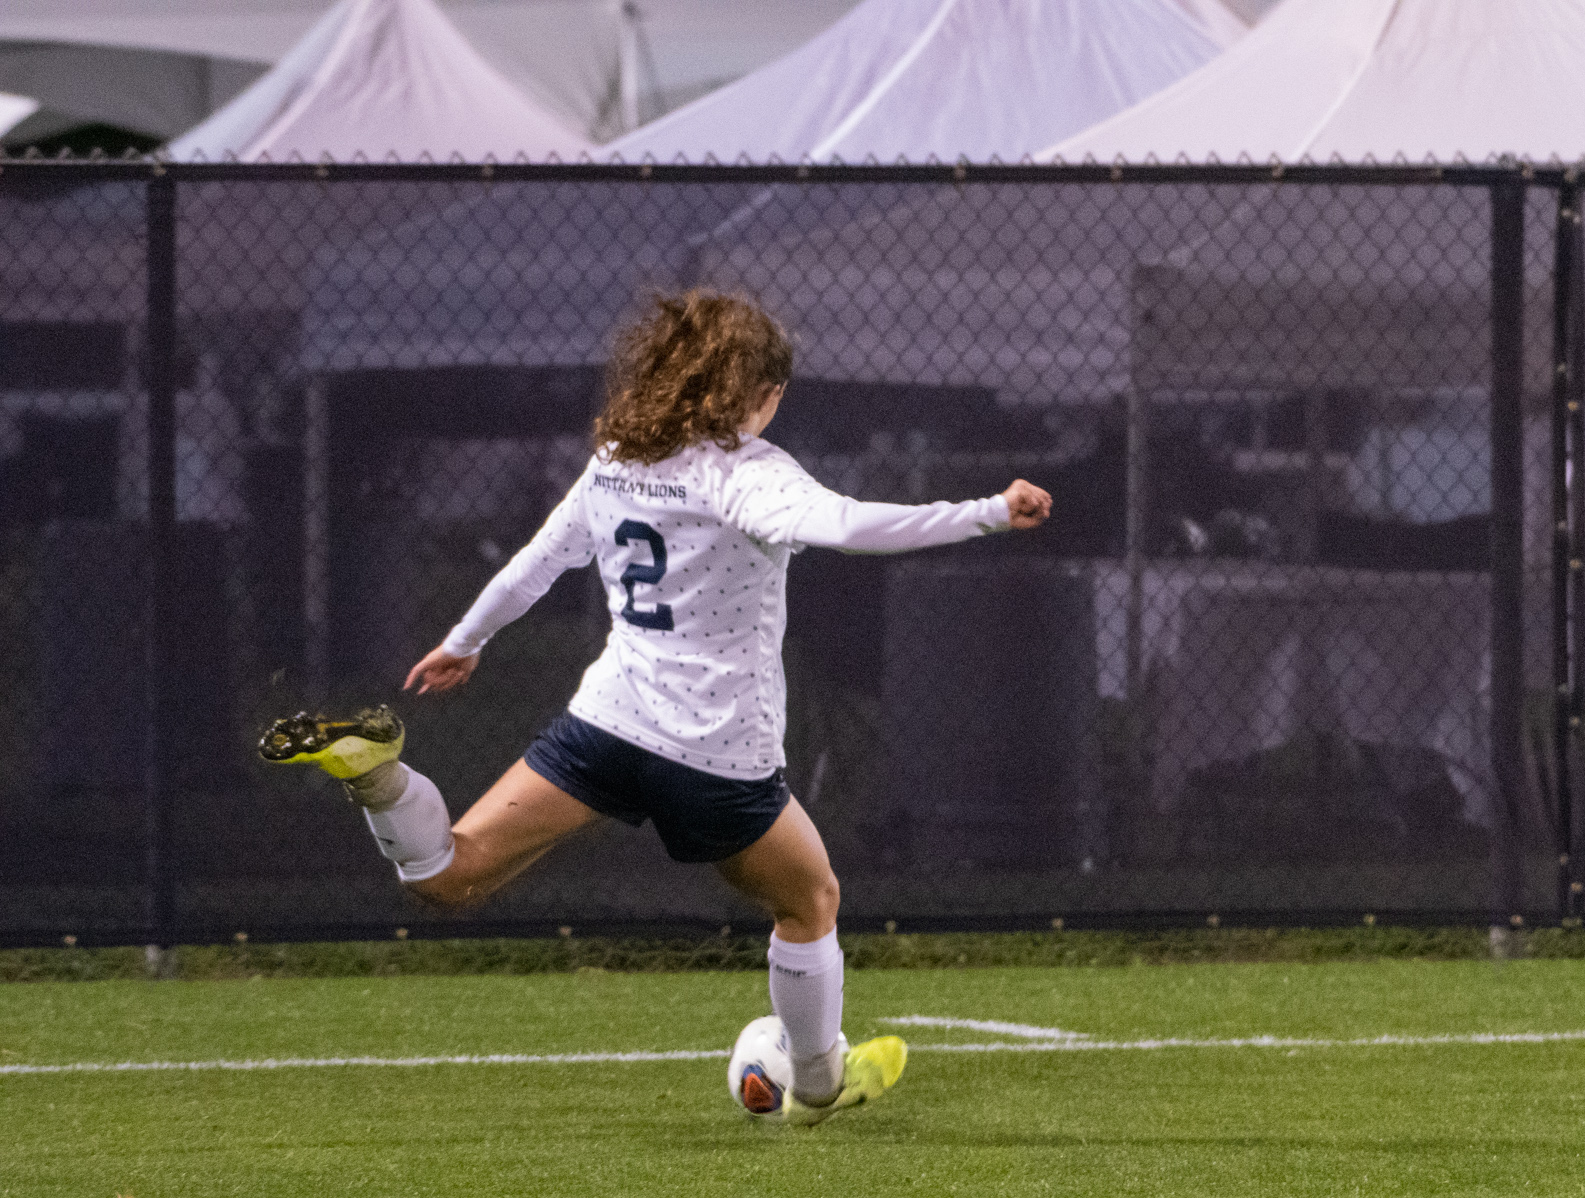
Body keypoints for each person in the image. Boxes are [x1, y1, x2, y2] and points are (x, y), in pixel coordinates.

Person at [259, 291, 1052, 1125]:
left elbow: (537, 563)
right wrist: (988, 514)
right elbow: (852, 526)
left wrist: (465, 639)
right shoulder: (748, 472)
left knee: (447, 875)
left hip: (606, 726)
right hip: (717, 752)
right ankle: (818, 1084)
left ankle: (378, 778)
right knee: (810, 899)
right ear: (760, 392)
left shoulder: (616, 458)